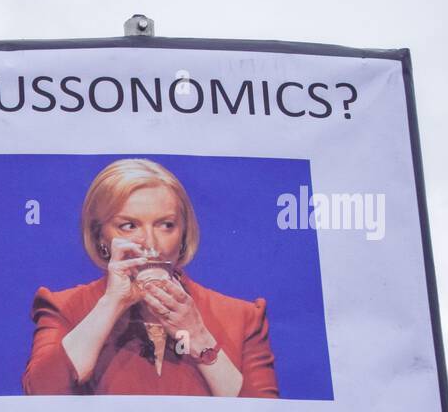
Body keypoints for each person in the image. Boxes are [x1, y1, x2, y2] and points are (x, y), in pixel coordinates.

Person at [22, 158, 279, 398]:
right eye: (129, 226)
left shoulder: (242, 317)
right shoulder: (64, 307)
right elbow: (40, 395)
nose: (150, 244)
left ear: (183, 235)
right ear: (101, 238)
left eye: (166, 225)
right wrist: (111, 305)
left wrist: (199, 337)